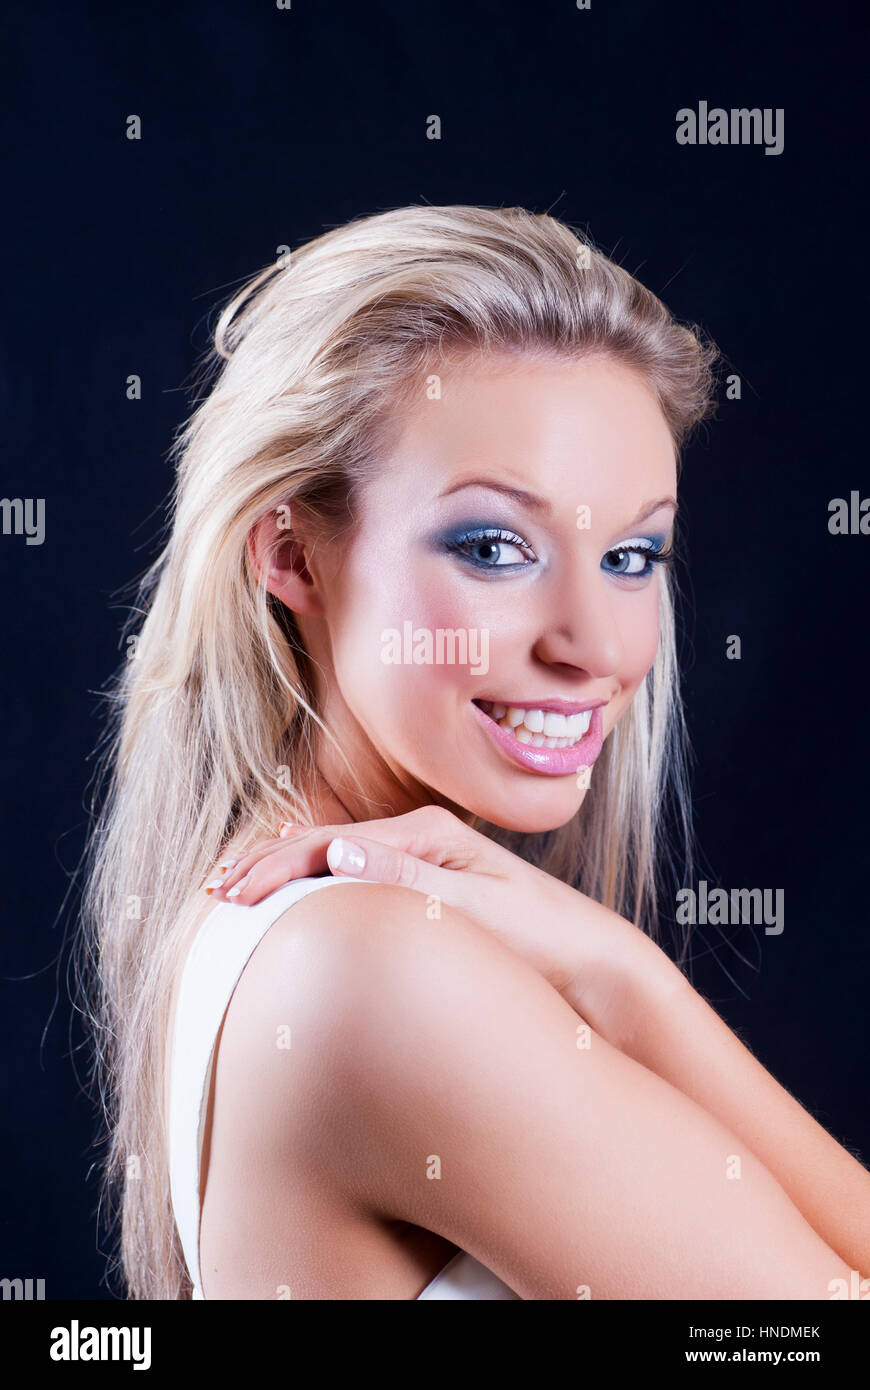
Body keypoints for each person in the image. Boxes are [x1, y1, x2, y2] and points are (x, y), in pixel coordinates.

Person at [79, 204, 870, 1300]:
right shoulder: (374, 968)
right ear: (292, 553)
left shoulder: (291, 930)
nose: (595, 645)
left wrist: (618, 974)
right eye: (495, 545)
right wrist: (629, 983)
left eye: (633, 554)